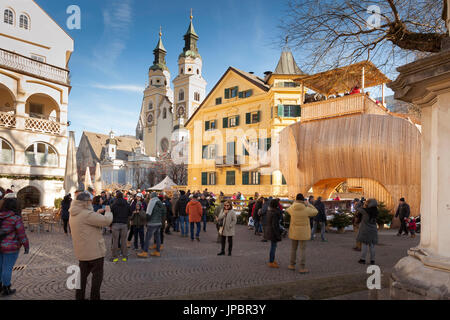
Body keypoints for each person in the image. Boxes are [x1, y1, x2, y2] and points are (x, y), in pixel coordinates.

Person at [69, 192, 113, 300]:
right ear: (85, 202)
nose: (91, 203)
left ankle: (79, 297)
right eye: (89, 201)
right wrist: (108, 212)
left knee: (82, 278)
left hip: (82, 252)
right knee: (97, 276)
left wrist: (96, 213)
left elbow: (88, 221)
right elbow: (106, 221)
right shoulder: (86, 214)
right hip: (94, 252)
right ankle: (95, 297)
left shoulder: (74, 213)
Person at [0, 195, 29, 296]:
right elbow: (21, 234)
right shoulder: (15, 218)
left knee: (0, 267)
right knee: (7, 268)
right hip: (11, 247)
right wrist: (26, 245)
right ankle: (6, 288)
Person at [286, 193, 318, 273]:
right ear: (303, 200)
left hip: (294, 232)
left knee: (293, 249)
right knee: (302, 250)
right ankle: (302, 268)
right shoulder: (306, 209)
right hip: (303, 233)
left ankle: (291, 265)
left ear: (296, 200)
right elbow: (316, 211)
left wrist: (294, 203)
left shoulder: (292, 208)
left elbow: (287, 210)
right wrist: (309, 204)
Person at [138, 192, 167, 258]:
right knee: (158, 237)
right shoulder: (160, 202)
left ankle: (145, 252)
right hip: (159, 222)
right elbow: (164, 212)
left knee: (147, 238)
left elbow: (148, 213)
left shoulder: (152, 202)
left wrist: (146, 221)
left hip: (152, 223)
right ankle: (158, 251)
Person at [110, 191, 131, 262]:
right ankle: (124, 256)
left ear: (116, 196)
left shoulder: (114, 204)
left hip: (115, 224)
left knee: (115, 241)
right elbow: (130, 213)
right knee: (124, 241)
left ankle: (115, 257)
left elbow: (111, 214)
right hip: (124, 224)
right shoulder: (127, 204)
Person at [357, 198, 379, 265]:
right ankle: (372, 260)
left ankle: (363, 259)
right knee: (372, 246)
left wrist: (361, 202)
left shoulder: (365, 211)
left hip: (365, 230)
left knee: (364, 245)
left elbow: (356, 207)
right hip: (373, 230)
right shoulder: (376, 211)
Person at [265, 199, 283, 268]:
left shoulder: (270, 211)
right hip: (273, 232)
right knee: (273, 247)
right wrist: (278, 234)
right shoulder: (275, 213)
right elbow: (275, 225)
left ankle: (272, 260)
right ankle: (271, 261)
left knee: (273, 246)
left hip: (270, 230)